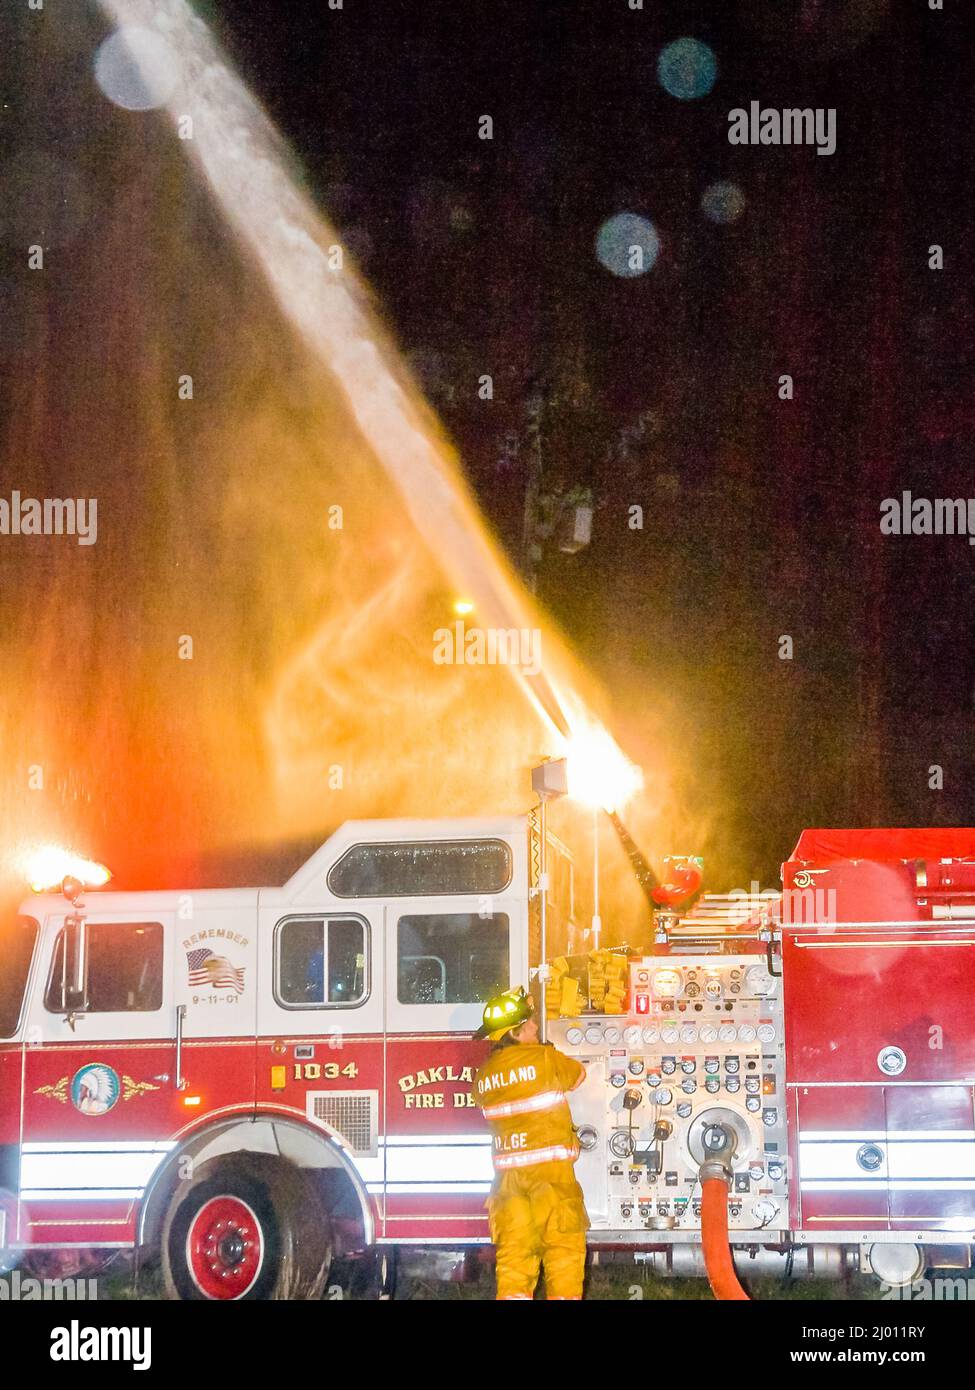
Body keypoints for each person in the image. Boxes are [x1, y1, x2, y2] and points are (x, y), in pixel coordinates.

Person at [471, 985, 589, 1300]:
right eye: (531, 1023)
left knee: (513, 1269)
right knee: (563, 1257)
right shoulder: (546, 1058)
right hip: (551, 1182)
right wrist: (548, 1053)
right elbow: (577, 1076)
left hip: (508, 1188)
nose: (536, 1026)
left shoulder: (483, 1075)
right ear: (518, 1032)